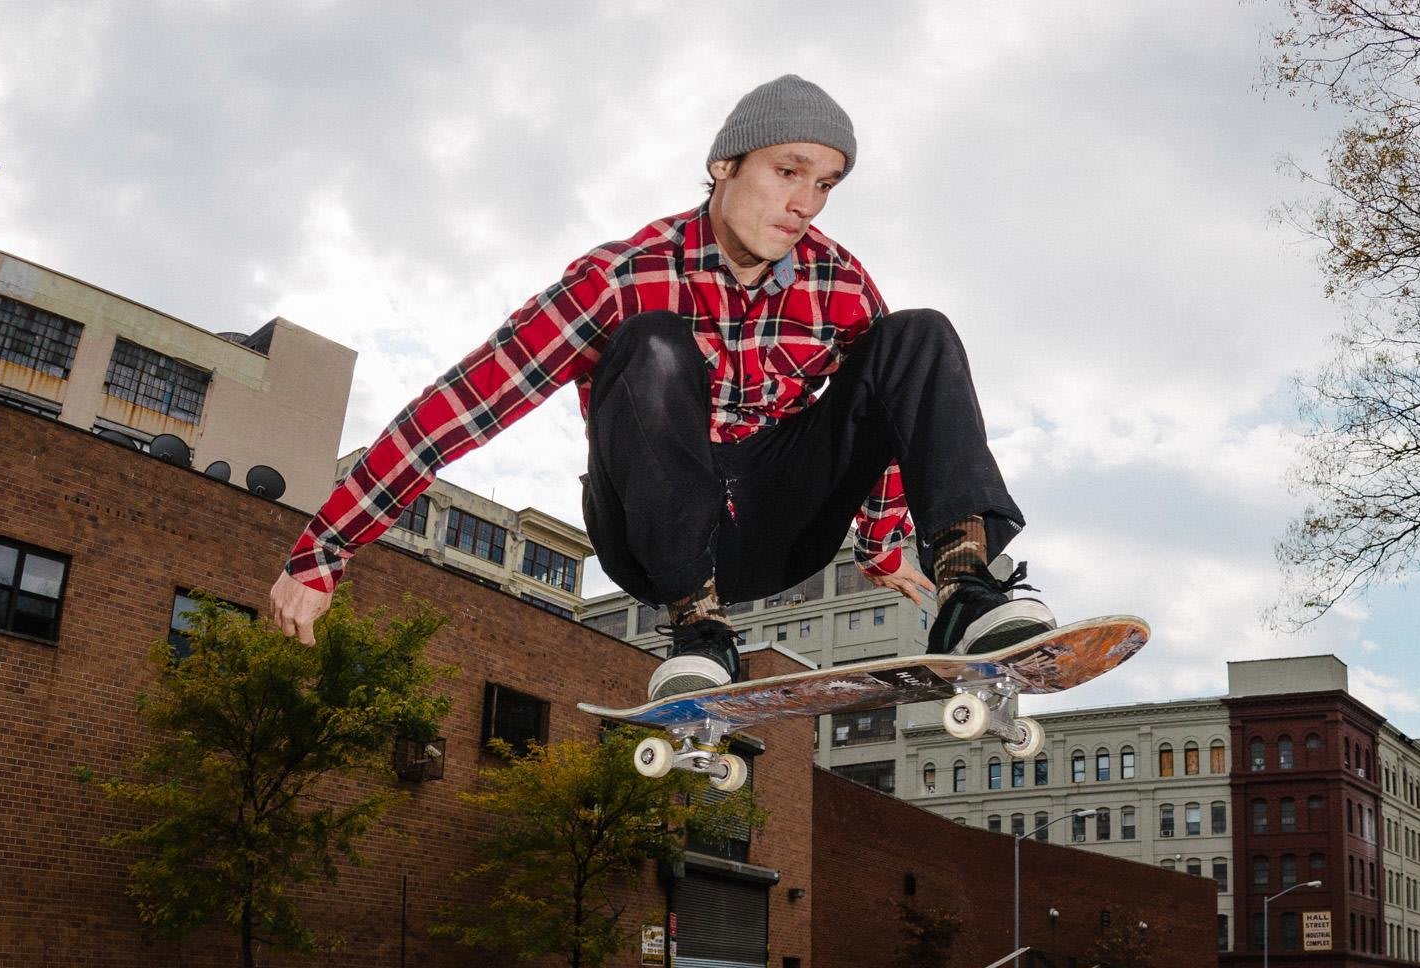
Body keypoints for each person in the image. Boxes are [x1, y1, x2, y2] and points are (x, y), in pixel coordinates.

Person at [266, 75, 1052, 702]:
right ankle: (698, 629)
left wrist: (883, 546)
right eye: (787, 173)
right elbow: (465, 404)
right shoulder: (620, 275)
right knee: (651, 340)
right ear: (724, 166)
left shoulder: (838, 282)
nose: (804, 205)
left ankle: (967, 590)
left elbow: (889, 418)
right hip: (652, 534)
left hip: (780, 529)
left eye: (825, 185)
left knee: (917, 333)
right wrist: (323, 549)